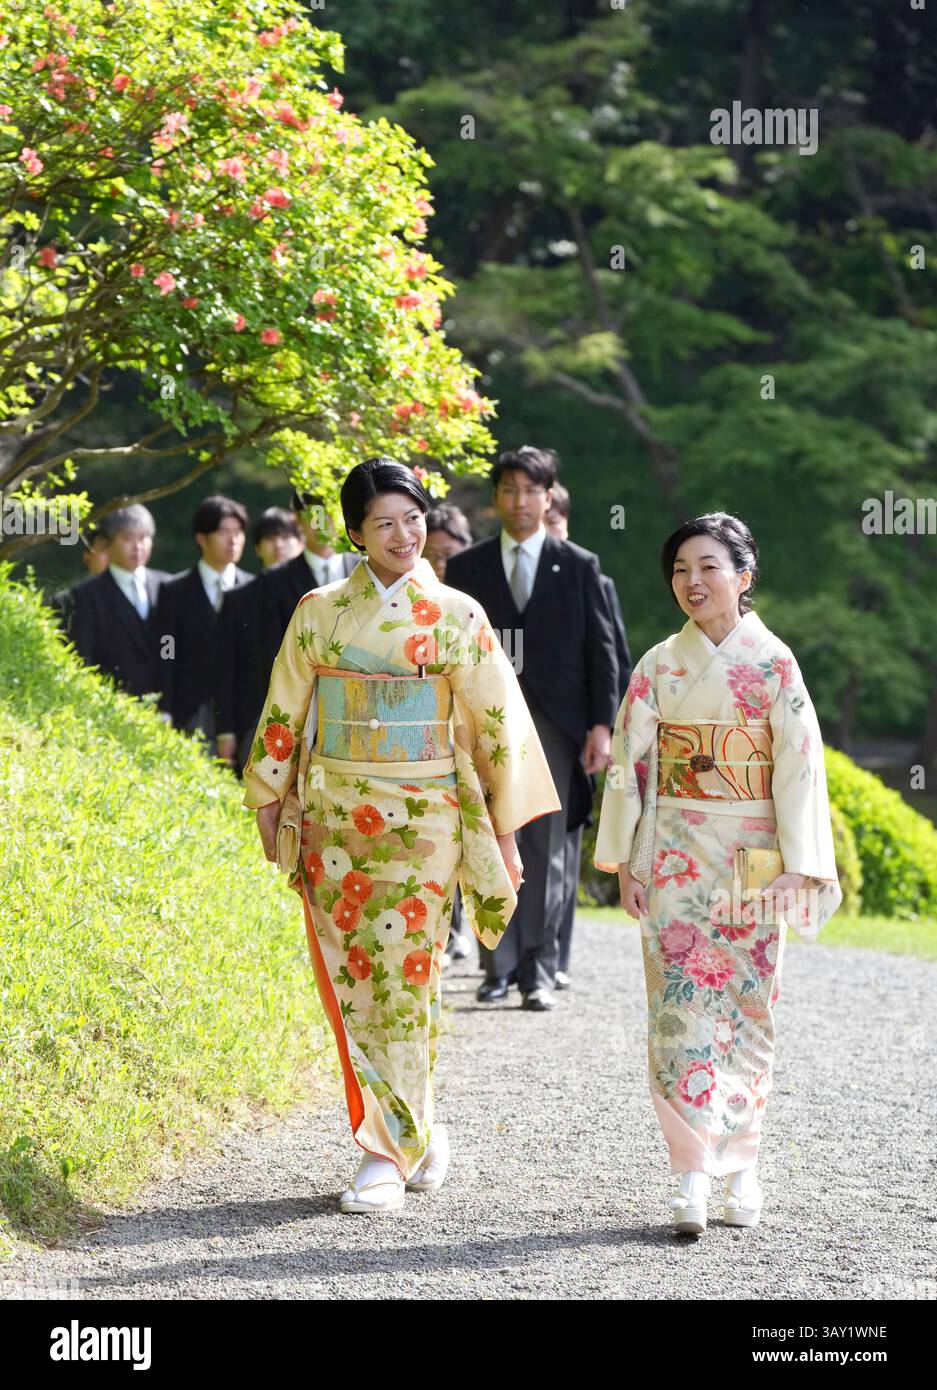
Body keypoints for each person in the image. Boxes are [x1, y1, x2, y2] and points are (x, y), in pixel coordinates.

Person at [243, 457, 560, 1214]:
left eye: (413, 518)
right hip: (337, 819)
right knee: (352, 977)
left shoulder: (456, 615)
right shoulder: (319, 611)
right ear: (354, 533)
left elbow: (493, 730)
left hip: (423, 820)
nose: (403, 533)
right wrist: (267, 796)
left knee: (406, 977)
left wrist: (505, 832)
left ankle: (387, 1151)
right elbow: (285, 708)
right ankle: (409, 1134)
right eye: (383, 522)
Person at [593, 512, 842, 1234]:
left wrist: (800, 866)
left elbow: (799, 769)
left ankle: (743, 1164)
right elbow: (628, 769)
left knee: (746, 1011)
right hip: (673, 852)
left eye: (708, 567)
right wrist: (629, 861)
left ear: (743, 574)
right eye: (679, 570)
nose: (692, 582)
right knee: (676, 1012)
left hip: (752, 858)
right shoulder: (657, 666)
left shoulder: (774, 665)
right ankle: (690, 1175)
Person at [445, 446, 619, 1011]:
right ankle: (497, 964)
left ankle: (538, 970)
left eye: (531, 491)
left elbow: (602, 651)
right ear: (496, 499)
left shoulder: (579, 565)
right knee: (490, 838)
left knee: (547, 850)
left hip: (557, 724)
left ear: (549, 498)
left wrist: (601, 726)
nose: (520, 502)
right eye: (510, 490)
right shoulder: (468, 566)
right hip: (483, 720)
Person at [544, 483, 632, 989]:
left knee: (565, 844)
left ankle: (555, 957)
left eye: (555, 522)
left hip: (576, 733)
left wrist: (607, 727)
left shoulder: (589, 576)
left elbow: (613, 658)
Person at [155, 496, 253, 744]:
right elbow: (166, 653)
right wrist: (164, 708)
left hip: (244, 711)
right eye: (223, 532)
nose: (233, 540)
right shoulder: (174, 591)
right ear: (201, 538)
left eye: (238, 532)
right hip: (191, 708)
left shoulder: (254, 590)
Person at [424, 503, 475, 964]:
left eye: (449, 554)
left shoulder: (468, 604)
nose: (441, 562)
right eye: (433, 552)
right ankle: (444, 925)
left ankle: (461, 925)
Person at [216, 508, 304, 775]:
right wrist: (225, 731)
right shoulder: (237, 599)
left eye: (285, 536)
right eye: (269, 538)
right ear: (256, 547)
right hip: (254, 718)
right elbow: (226, 669)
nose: (278, 544)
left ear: (300, 542)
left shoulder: (314, 597)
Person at [64, 504, 171, 699]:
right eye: (128, 538)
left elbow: (170, 641)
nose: (137, 546)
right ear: (106, 544)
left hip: (166, 706)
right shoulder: (85, 596)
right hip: (113, 707)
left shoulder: (169, 586)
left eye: (143, 538)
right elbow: (83, 660)